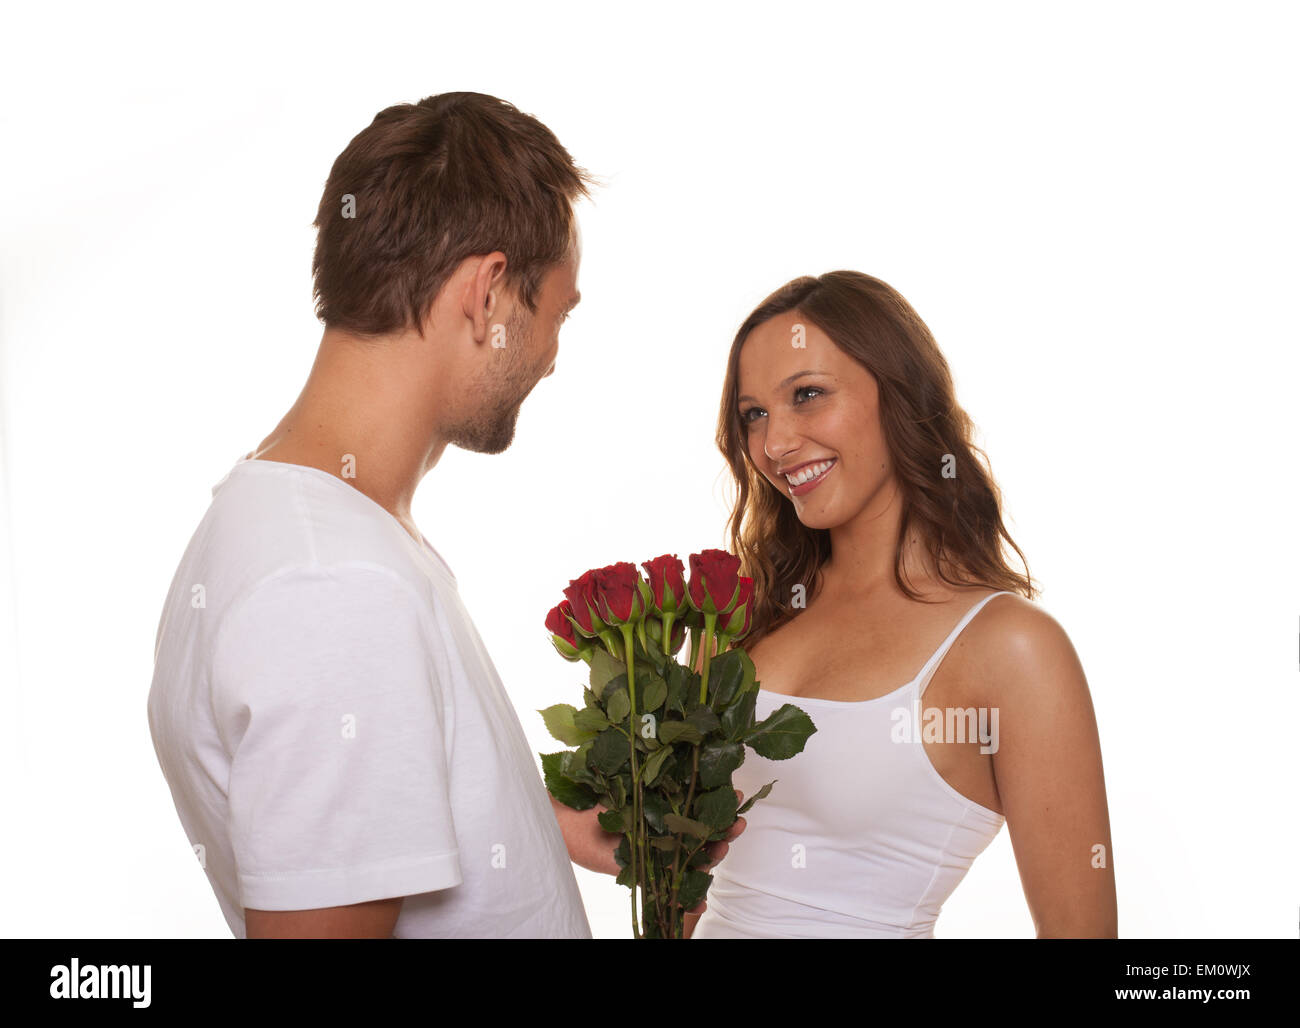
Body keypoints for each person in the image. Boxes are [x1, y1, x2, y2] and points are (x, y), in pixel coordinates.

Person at [146, 91, 739, 939]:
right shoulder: (332, 584)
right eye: (556, 314)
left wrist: (527, 817)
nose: (553, 359)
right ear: (489, 294)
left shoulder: (302, 531)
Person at [687, 271, 1117, 938]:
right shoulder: (739, 615)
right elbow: (678, 884)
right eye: (754, 414)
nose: (774, 444)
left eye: (807, 395)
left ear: (902, 397)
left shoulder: (1011, 649)